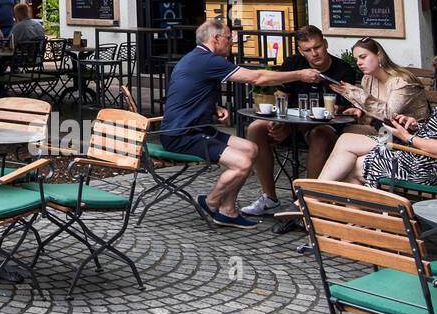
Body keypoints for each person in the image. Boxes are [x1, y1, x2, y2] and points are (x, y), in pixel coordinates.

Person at [161, 19, 321, 229]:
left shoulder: (194, 58)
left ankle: (228, 211)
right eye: (229, 38)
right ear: (216, 39)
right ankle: (210, 202)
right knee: (242, 163)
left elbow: (187, 91)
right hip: (182, 134)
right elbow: (257, 78)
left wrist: (213, 107)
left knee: (251, 148)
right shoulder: (208, 60)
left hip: (195, 129)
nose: (232, 43)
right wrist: (299, 74)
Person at [241, 25, 358, 217]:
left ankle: (307, 202)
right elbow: (282, 95)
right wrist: (278, 121)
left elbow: (342, 111)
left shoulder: (342, 70)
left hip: (321, 127)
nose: (315, 53)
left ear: (325, 44)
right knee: (256, 128)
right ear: (300, 51)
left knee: (321, 135)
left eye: (318, 47)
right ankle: (269, 198)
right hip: (291, 122)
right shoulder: (293, 63)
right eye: (308, 50)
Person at [323, 37, 431, 134]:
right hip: (383, 129)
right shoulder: (368, 79)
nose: (358, 63)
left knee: (345, 137)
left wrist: (355, 93)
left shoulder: (402, 82)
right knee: (339, 133)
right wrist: (360, 111)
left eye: (363, 57)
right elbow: (374, 109)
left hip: (410, 135)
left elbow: (389, 114)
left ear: (379, 56)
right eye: (356, 59)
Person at [319, 107, 437, 189]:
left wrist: (408, 137)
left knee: (354, 163)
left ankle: (312, 196)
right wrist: (416, 126)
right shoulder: (369, 81)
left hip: (423, 168)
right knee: (346, 140)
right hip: (413, 153)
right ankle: (313, 196)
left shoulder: (401, 84)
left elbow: (386, 110)